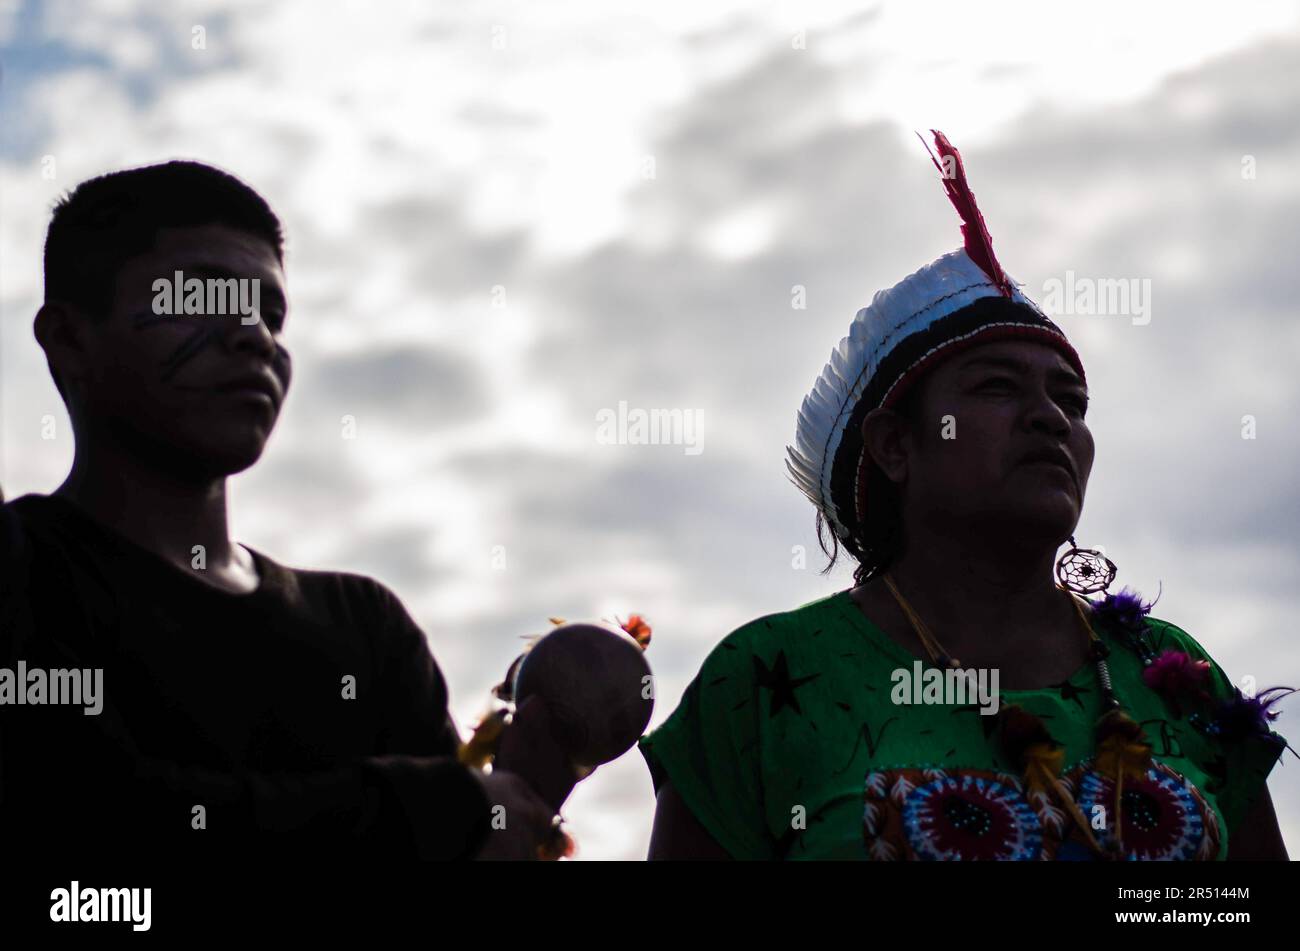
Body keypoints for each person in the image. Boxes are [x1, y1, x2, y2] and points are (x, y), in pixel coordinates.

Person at [640, 132, 1291, 861]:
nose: (1052, 418)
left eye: (1072, 401)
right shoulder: (766, 678)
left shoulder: (1171, 673)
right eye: (996, 388)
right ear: (894, 445)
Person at [0, 160, 569, 860]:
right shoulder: (26, 576)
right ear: (69, 341)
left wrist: (525, 804)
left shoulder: (366, 626)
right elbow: (84, 818)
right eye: (197, 297)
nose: (254, 336)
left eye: (270, 314)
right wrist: (433, 810)